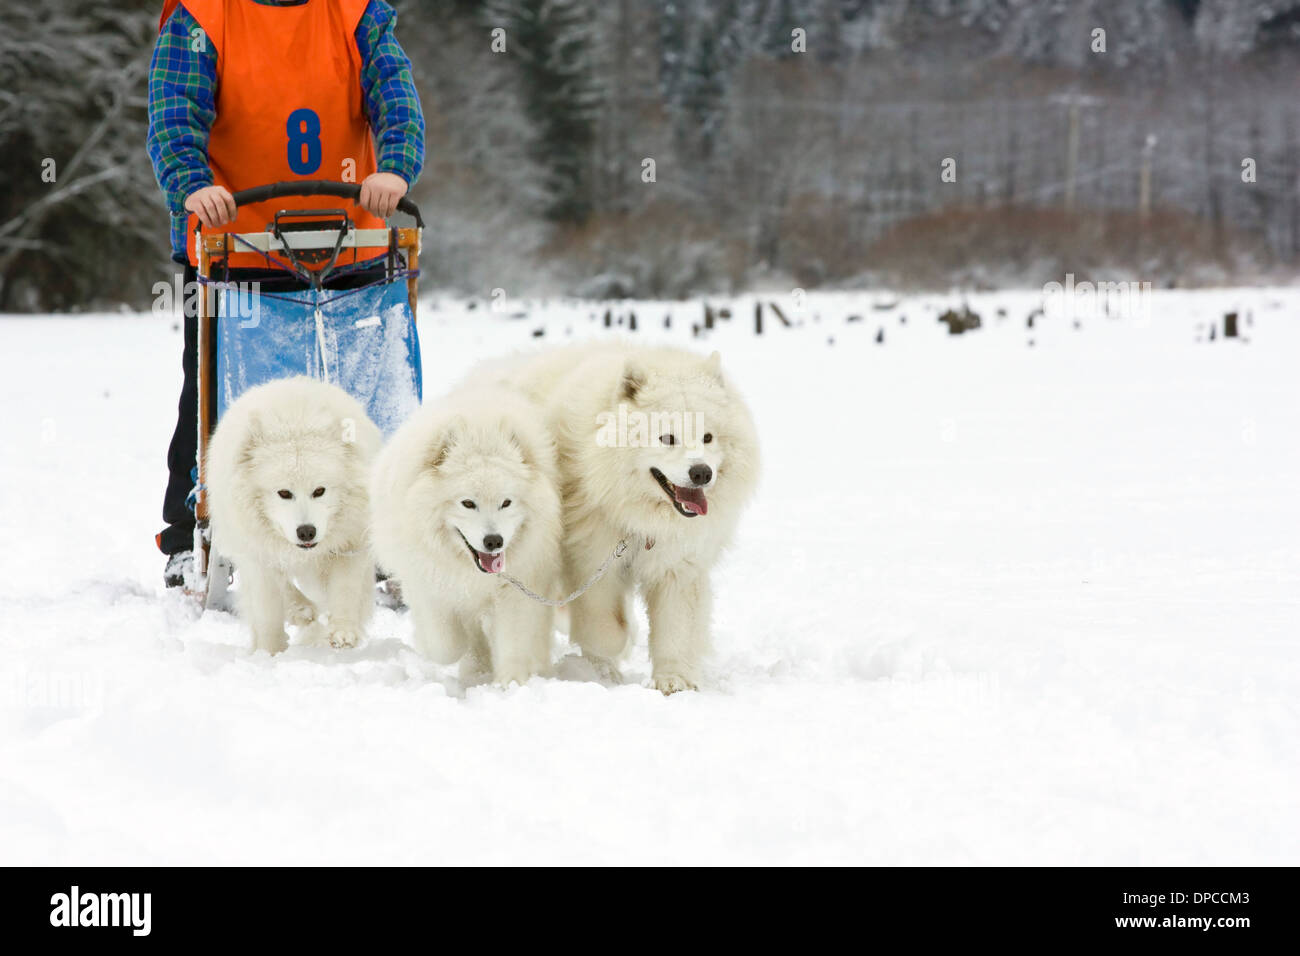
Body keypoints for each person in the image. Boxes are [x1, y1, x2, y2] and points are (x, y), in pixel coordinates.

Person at [146, 0, 425, 587]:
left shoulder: (356, 11)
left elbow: (394, 94)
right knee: (213, 396)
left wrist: (396, 167)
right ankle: (191, 528)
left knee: (360, 395)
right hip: (234, 242)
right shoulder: (203, 14)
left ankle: (381, 528)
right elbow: (174, 115)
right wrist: (192, 184)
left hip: (350, 234)